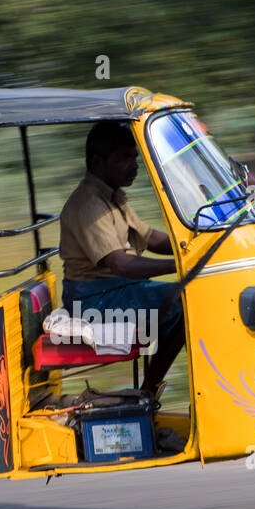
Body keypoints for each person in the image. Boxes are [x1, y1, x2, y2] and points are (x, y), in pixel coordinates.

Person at [58, 121, 183, 397]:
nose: (134, 165)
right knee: (184, 303)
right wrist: (182, 265)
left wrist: (191, 244)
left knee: (186, 297)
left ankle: (148, 390)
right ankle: (148, 391)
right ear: (97, 161)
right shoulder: (88, 204)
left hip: (115, 290)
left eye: (134, 157)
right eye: (124, 158)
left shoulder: (112, 196)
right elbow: (120, 264)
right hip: (93, 302)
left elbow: (148, 236)